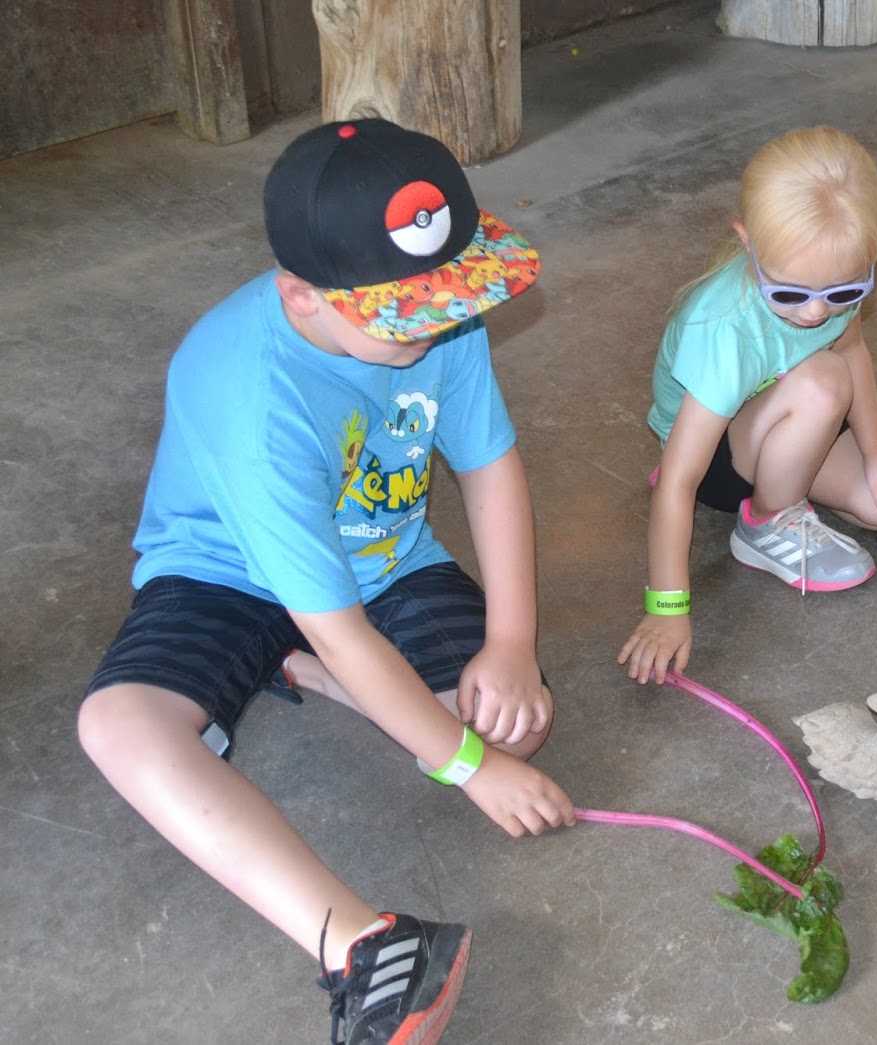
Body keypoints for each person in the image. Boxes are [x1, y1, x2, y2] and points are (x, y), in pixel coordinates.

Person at [77, 118, 574, 1044]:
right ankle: (366, 943)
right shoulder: (253, 396)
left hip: (382, 557)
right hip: (228, 573)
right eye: (405, 316)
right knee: (121, 725)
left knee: (516, 719)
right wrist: (466, 771)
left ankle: (300, 670)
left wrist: (513, 644)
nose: (436, 328)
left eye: (446, 301)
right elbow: (343, 625)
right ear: (301, 296)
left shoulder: (439, 314)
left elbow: (491, 465)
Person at [617, 126, 877, 685]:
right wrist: (665, 610)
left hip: (789, 418)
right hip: (714, 455)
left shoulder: (832, 274)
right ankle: (766, 522)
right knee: (823, 382)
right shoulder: (723, 328)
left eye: (843, 293)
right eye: (791, 294)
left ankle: (790, 470)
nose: (817, 313)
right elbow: (677, 484)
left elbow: (854, 349)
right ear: (747, 243)